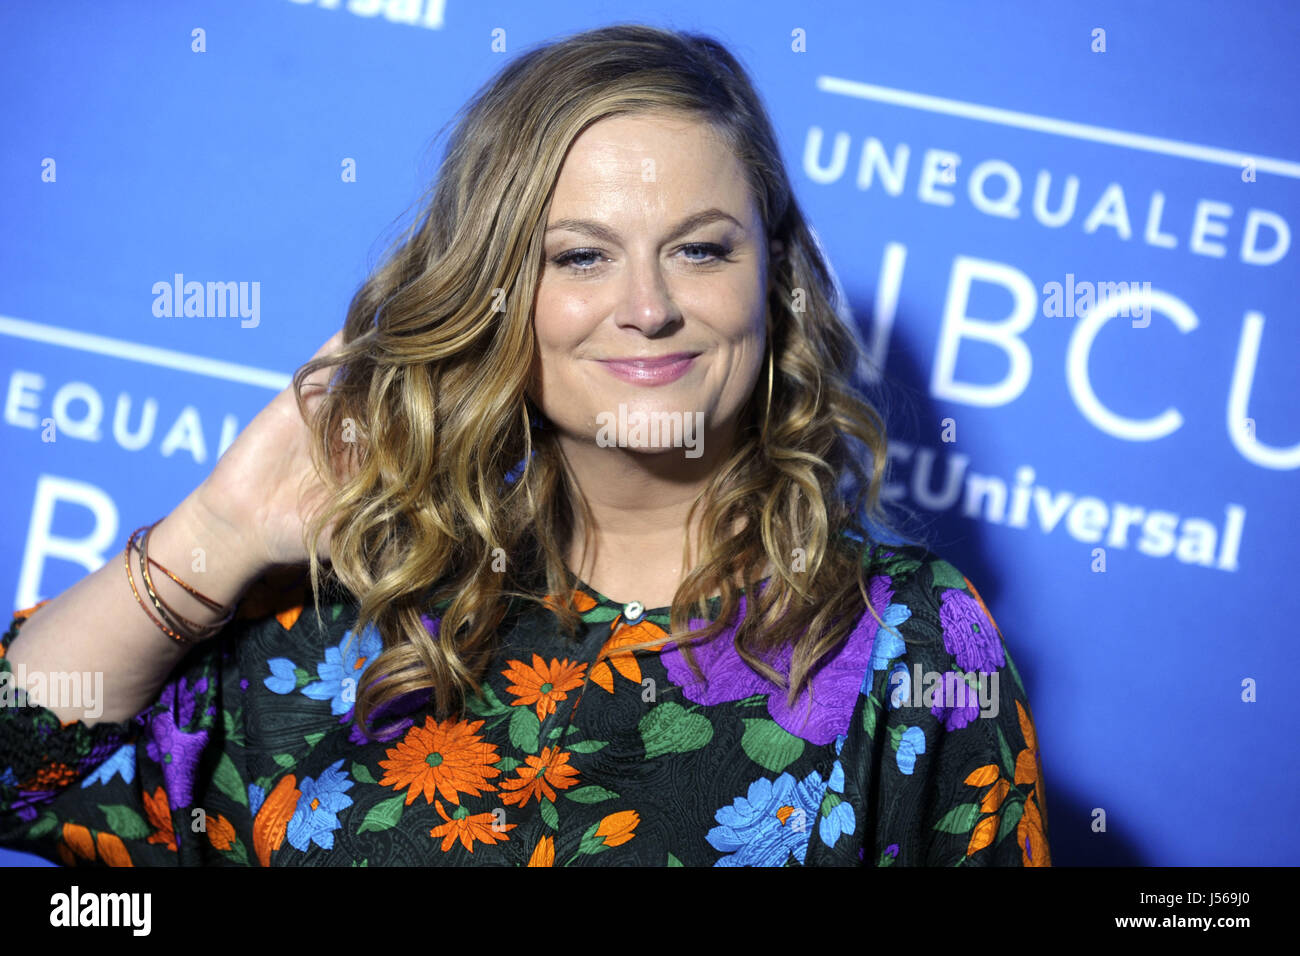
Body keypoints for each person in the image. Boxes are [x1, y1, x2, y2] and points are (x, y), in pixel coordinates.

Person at [0, 23, 1049, 867]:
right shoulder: (333, 613)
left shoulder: (904, 638)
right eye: (581, 256)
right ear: (494, 292)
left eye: (697, 248)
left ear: (770, 282)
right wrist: (211, 536)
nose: (647, 307)